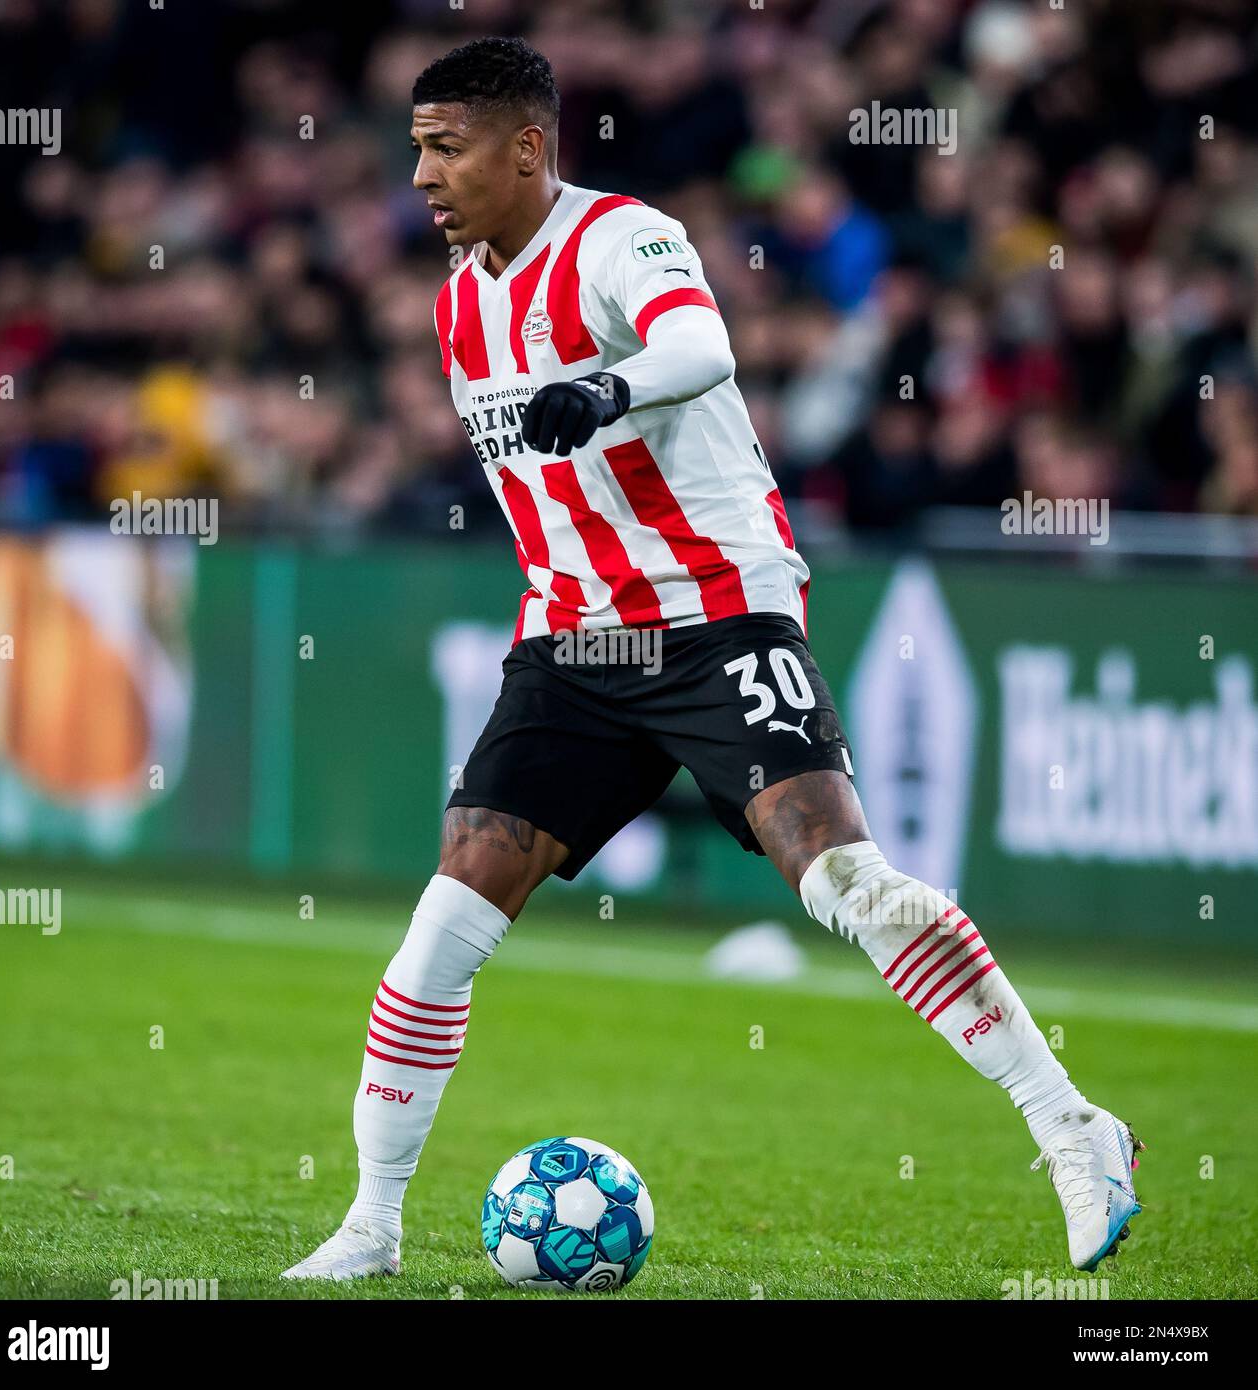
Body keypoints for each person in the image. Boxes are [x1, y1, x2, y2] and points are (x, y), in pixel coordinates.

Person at [282, 36, 1141, 1283]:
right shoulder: (459, 297)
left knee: (845, 880)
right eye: (416, 145)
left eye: (445, 145)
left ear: (528, 148)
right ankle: (370, 1224)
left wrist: (605, 389)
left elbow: (702, 349)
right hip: (573, 637)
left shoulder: (622, 236)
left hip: (716, 611)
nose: (421, 173)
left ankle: (1072, 1126)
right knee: (443, 921)